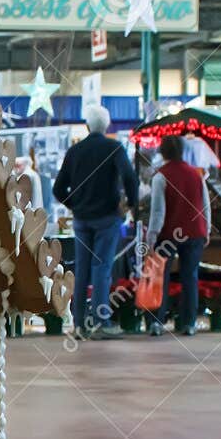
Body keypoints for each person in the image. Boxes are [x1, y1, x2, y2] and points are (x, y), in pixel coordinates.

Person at [53, 103, 138, 338]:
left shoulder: (75, 151)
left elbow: (59, 188)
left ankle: (79, 324)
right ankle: (101, 322)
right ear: (107, 125)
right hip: (107, 218)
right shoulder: (114, 147)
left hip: (81, 220)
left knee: (81, 270)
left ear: (87, 125)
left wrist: (75, 206)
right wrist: (130, 202)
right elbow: (130, 177)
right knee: (102, 269)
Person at [143, 134, 212, 336]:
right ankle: (189, 323)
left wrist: (151, 238)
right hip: (195, 233)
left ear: (162, 152)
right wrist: (206, 230)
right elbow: (205, 205)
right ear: (183, 151)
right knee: (190, 276)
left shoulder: (160, 177)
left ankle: (156, 322)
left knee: (160, 277)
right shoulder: (197, 175)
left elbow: (158, 212)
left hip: (168, 235)